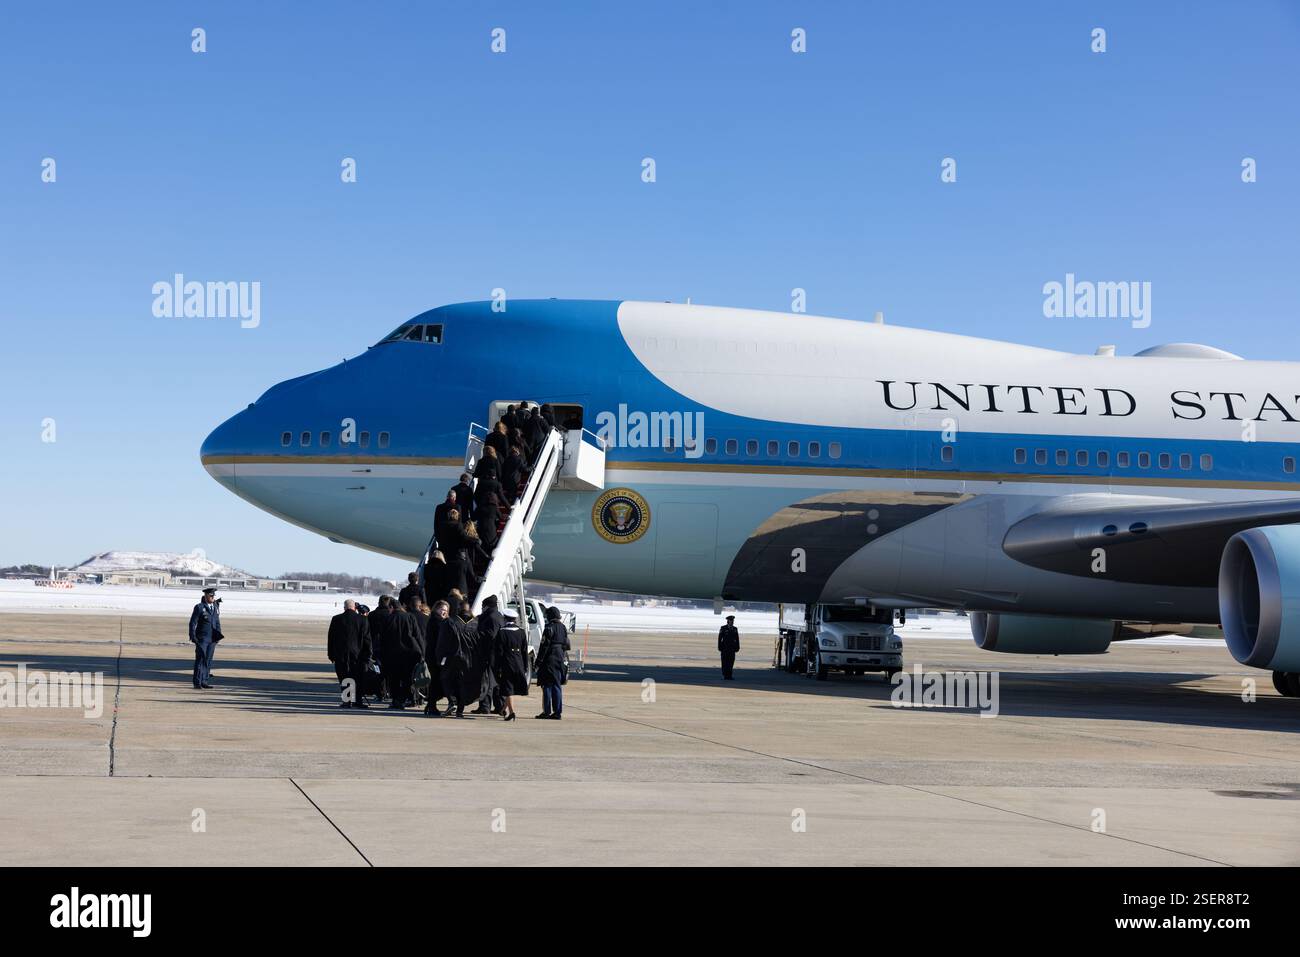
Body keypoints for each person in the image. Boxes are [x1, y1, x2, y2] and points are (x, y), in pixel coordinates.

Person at [379, 598, 424, 709]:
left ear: (391, 607)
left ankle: (396, 701)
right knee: (408, 678)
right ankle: (410, 698)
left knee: (394, 679)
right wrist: (422, 652)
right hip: (410, 653)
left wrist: (381, 654)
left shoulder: (387, 619)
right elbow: (417, 636)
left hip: (392, 655)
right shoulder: (410, 617)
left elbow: (382, 639)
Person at [327, 599, 371, 708]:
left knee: (344, 677)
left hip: (341, 654)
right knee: (358, 678)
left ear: (344, 607)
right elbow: (367, 639)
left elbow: (331, 638)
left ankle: (347, 701)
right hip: (358, 655)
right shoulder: (362, 620)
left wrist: (331, 654)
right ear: (354, 608)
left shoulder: (336, 619)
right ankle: (358, 701)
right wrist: (368, 654)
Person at [465, 594, 503, 715]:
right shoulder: (498, 616)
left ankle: (485, 706)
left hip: (488, 653)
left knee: (487, 680)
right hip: (496, 654)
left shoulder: (490, 617)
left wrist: (476, 635)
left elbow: (490, 635)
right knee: (496, 681)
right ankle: (500, 706)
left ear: (486, 606)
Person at [494, 608, 529, 721]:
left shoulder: (502, 631)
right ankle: (503, 709)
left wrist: (497, 667)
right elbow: (525, 651)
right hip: (519, 662)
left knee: (508, 689)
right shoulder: (521, 631)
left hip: (507, 662)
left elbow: (499, 651)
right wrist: (525, 666)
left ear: (505, 618)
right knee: (510, 689)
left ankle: (512, 712)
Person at [535, 606, 570, 720]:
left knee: (547, 686)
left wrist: (538, 661)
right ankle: (557, 712)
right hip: (559, 659)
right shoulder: (563, 627)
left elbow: (544, 646)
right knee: (557, 686)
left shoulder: (549, 628)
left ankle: (546, 711)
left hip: (549, 660)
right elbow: (566, 645)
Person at [187, 587, 223, 689]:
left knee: (208, 660)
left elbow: (217, 622)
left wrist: (218, 635)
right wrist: (192, 635)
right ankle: (197, 682)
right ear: (206, 596)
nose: (212, 597)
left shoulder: (215, 607)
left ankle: (204, 681)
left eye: (213, 595)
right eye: (211, 595)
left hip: (212, 639)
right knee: (200, 660)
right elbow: (193, 623)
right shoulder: (199, 607)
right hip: (202, 638)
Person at [423, 600, 451, 716]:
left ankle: (430, 705)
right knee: (436, 681)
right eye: (441, 609)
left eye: (445, 610)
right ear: (436, 609)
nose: (443, 612)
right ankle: (431, 706)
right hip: (435, 656)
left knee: (435, 681)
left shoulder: (436, 620)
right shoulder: (436, 621)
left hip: (433, 655)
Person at [718, 615, 740, 680]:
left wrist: (738, 647)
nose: (732, 622)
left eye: (733, 621)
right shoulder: (723, 628)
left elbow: (737, 639)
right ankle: (725, 675)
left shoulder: (735, 629)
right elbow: (719, 638)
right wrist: (719, 647)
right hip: (724, 648)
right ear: (728, 621)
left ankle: (729, 675)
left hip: (732, 649)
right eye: (731, 621)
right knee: (724, 662)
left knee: (731, 662)